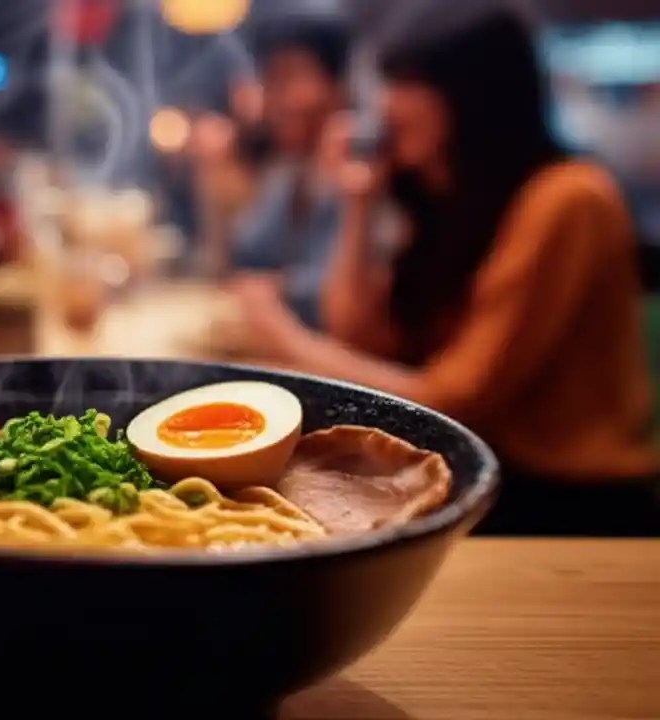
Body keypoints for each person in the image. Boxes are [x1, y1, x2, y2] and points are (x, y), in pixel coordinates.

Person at [230, 0, 658, 535]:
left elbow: (454, 400)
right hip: (489, 479)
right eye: (389, 82)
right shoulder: (452, 198)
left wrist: (278, 333)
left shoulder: (569, 199)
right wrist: (358, 203)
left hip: (572, 506)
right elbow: (355, 332)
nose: (386, 105)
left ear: (477, 94)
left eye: (410, 83)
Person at [228, 12, 352, 328]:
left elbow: (331, 301)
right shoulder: (288, 170)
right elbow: (246, 252)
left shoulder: (368, 171)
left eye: (291, 78)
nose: (276, 99)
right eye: (270, 81)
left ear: (339, 83)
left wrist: (268, 293)